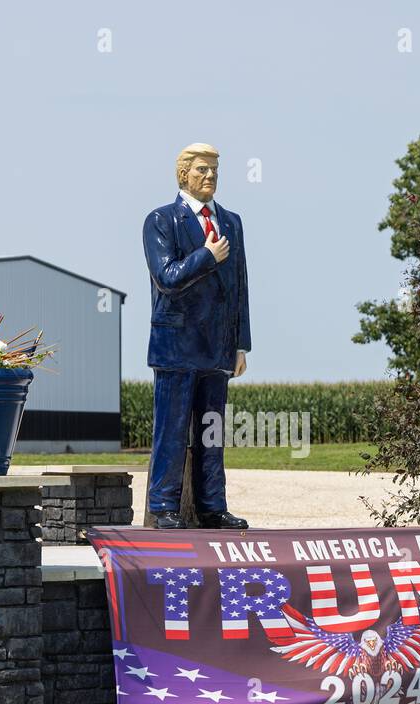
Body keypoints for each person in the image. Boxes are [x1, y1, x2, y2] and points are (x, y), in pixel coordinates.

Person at [141, 142, 251, 530]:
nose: (209, 177)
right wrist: (206, 255)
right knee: (170, 429)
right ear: (183, 174)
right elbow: (167, 277)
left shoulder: (232, 222)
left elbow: (239, 288)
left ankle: (212, 506)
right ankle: (163, 505)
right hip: (176, 345)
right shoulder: (161, 220)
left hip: (217, 346)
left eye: (214, 171)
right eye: (202, 170)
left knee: (211, 430)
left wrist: (241, 344)